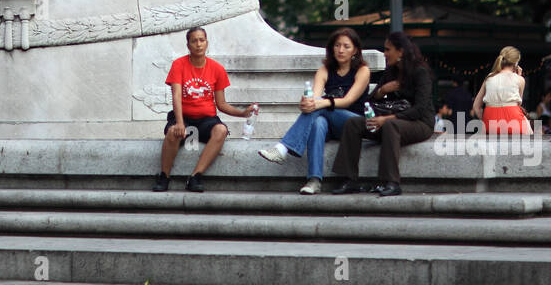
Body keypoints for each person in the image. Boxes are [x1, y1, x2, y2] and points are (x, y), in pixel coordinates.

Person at [258, 27, 371, 194]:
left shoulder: (362, 70)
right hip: (329, 123)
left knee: (320, 108)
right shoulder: (324, 70)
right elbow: (315, 100)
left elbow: (349, 100)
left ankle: (283, 148)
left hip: (353, 123)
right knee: (317, 122)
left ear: (355, 50)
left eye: (346, 46)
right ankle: (314, 180)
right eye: (337, 45)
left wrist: (319, 103)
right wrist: (306, 105)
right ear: (331, 48)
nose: (340, 50)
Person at [152, 28, 258, 192]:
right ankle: (164, 176)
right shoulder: (179, 64)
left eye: (202, 40)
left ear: (207, 43)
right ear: (188, 45)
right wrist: (180, 123)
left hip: (206, 120)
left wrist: (242, 113)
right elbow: (176, 95)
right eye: (194, 41)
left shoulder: (217, 69)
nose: (198, 44)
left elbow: (221, 104)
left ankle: (195, 176)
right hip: (184, 117)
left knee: (221, 130)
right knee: (173, 131)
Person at [331, 32, 435, 197]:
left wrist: (386, 119)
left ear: (400, 51)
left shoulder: (420, 72)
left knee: (390, 125)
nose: (385, 54)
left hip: (420, 123)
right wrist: (383, 90)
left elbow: (420, 109)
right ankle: (349, 179)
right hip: (391, 122)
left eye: (388, 50)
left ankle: (391, 182)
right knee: (353, 123)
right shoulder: (390, 72)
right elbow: (370, 100)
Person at [471, 47, 532, 135]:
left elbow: (476, 107)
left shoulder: (489, 78)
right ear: (516, 63)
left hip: (491, 124)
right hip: (514, 122)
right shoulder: (520, 79)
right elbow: (518, 104)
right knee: (529, 129)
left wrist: (485, 120)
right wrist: (519, 76)